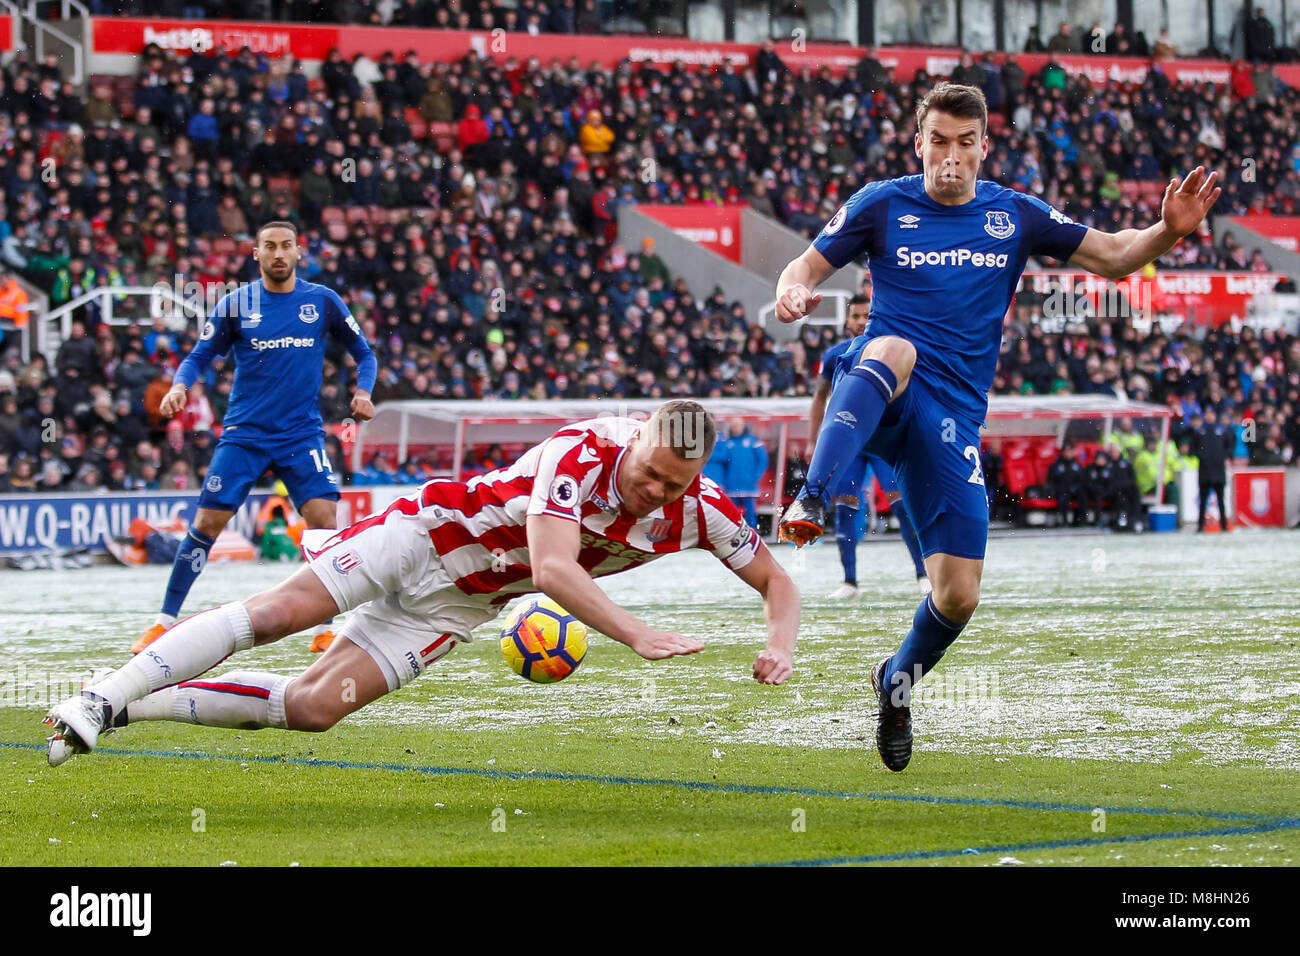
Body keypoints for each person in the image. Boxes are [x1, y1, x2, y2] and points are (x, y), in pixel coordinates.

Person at [772, 82, 1220, 771]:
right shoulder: (881, 203)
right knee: (891, 348)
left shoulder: (1014, 214)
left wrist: (1167, 230)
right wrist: (792, 287)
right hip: (886, 387)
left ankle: (895, 685)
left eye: (964, 142)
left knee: (958, 595)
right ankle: (812, 497)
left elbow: (1113, 255)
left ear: (984, 146)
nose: (950, 156)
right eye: (938, 140)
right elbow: (805, 263)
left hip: (951, 419)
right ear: (918, 141)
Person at [42, 402, 800, 766]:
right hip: (424, 534)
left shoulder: (701, 513)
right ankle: (100, 695)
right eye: (646, 473)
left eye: (671, 486)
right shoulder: (584, 451)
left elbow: (778, 583)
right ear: (633, 442)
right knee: (278, 613)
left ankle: (129, 708)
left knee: (312, 709)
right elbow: (554, 569)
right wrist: (635, 632)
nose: (651, 492)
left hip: (461, 603)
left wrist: (779, 645)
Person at [133, 221, 377, 655]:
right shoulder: (236, 304)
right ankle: (163, 622)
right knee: (206, 525)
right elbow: (200, 355)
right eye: (270, 247)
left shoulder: (322, 301)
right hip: (244, 435)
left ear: (298, 252)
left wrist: (363, 391)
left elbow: (365, 353)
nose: (278, 253)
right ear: (256, 253)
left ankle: (325, 628)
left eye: (286, 246)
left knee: (325, 522)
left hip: (301, 435)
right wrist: (178, 386)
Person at [809, 293, 928, 600]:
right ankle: (850, 582)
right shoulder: (834, 354)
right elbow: (819, 399)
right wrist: (814, 441)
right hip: (851, 444)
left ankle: (923, 574)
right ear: (847, 320)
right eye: (856, 316)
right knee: (847, 507)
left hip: (885, 441)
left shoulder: (894, 352)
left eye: (866, 315)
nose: (862, 321)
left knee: (903, 506)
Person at [717, 419, 768, 527]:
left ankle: (753, 534)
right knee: (732, 513)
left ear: (743, 426)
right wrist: (725, 480)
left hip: (749, 484)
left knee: (750, 513)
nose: (736, 428)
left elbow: (763, 460)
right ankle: (734, 535)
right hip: (731, 485)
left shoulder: (753, 441)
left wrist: (756, 476)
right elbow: (722, 462)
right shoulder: (727, 443)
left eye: (738, 426)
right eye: (734, 426)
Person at [1195, 406, 1232, 532]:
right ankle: (1200, 525)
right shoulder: (1200, 431)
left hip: (1218, 471)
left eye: (1211, 414)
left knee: (1221, 500)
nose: (1209, 416)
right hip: (1205, 471)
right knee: (1203, 500)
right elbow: (1194, 448)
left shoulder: (1222, 431)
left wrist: (1224, 457)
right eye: (1207, 413)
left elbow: (1229, 446)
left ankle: (1224, 525)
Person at [1047, 440, 1086, 526]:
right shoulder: (1056, 465)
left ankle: (1081, 520)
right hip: (1061, 489)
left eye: (1070, 451)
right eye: (1066, 451)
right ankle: (1064, 521)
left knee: (1082, 495)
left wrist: (1075, 487)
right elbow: (1051, 480)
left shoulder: (1076, 464)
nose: (1068, 453)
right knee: (1064, 495)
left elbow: (1081, 479)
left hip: (1074, 489)